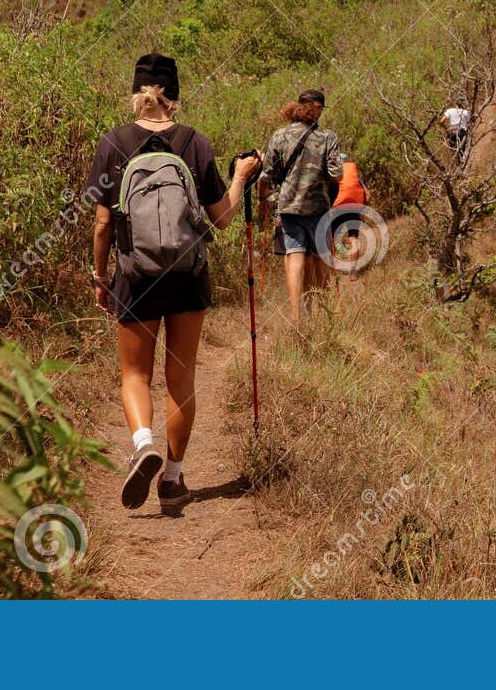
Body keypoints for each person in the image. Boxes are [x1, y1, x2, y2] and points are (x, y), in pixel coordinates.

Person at [87, 53, 260, 514]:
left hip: (134, 276)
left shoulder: (114, 144)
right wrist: (240, 177)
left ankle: (143, 443)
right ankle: (174, 479)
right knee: (180, 378)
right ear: (175, 95)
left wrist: (101, 277)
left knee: (134, 374)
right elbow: (221, 218)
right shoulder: (194, 143)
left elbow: (104, 224)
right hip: (187, 277)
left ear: (136, 91)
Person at [259, 88, 344, 325]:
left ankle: (297, 318)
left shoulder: (280, 135)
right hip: (318, 207)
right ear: (318, 109)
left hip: (287, 206)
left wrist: (262, 201)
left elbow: (267, 176)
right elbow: (337, 175)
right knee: (320, 258)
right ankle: (323, 315)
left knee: (294, 254)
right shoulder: (328, 137)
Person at [329, 152, 370, 272]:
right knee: (353, 237)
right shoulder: (355, 176)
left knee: (332, 237)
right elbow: (367, 195)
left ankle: (334, 270)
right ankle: (353, 271)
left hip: (337, 208)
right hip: (354, 208)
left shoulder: (333, 174)